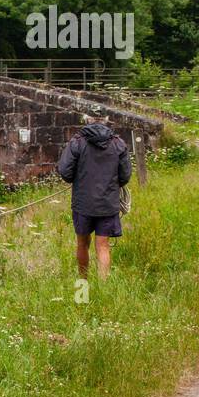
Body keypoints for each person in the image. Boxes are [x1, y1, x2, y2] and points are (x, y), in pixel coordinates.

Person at [57, 106, 131, 280]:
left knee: (82, 244)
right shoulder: (118, 143)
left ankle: (83, 288)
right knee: (103, 245)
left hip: (83, 204)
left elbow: (65, 172)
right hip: (107, 203)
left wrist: (79, 178)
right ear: (106, 121)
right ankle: (102, 290)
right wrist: (111, 185)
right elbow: (125, 175)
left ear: (86, 120)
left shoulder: (77, 142)